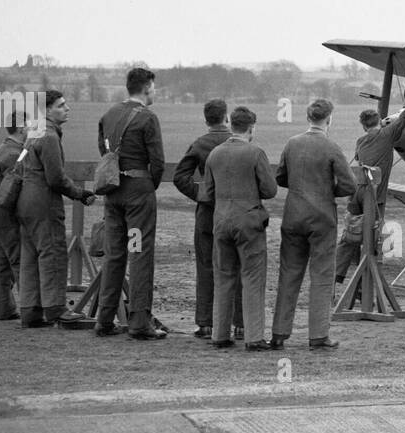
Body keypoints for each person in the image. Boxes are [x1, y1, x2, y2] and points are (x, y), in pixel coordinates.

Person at [271, 99, 357, 350]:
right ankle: (318, 335)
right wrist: (327, 191)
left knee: (288, 274)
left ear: (308, 118)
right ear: (329, 119)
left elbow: (280, 177)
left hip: (293, 216)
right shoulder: (332, 147)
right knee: (321, 276)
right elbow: (349, 185)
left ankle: (278, 333)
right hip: (322, 219)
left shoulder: (292, 143)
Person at [198, 106, 278, 351]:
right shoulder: (255, 153)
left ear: (231, 124)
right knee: (252, 278)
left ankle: (220, 334)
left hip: (221, 221)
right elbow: (270, 190)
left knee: (223, 276)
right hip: (249, 223)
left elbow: (206, 193)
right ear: (251, 127)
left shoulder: (214, 154)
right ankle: (253, 336)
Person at [96, 68, 166, 340]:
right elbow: (157, 162)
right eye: (154, 88)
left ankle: (103, 320)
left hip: (113, 193)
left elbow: (104, 152)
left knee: (114, 255)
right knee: (139, 253)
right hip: (138, 195)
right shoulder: (148, 118)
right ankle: (138, 322)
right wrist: (148, 185)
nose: (155, 93)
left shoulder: (109, 114)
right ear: (147, 87)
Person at [16, 90, 95, 327]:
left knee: (30, 257)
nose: (67, 108)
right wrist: (80, 194)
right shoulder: (49, 136)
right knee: (53, 255)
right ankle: (56, 308)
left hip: (24, 201)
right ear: (47, 110)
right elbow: (56, 178)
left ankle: (30, 311)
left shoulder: (33, 133)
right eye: (61, 105)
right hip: (43, 202)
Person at [334, 96, 405, 286]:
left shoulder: (360, 141)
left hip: (357, 191)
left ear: (363, 126)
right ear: (378, 121)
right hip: (373, 195)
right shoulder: (387, 134)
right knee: (372, 238)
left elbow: (359, 157)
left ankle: (337, 274)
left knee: (350, 233)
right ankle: (362, 285)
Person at [173, 99, 233, 339]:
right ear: (226, 117)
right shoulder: (239, 142)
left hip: (207, 213)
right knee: (235, 267)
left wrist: (200, 193)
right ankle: (238, 323)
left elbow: (180, 176)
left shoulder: (200, 144)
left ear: (206, 120)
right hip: (234, 211)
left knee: (206, 267)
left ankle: (206, 322)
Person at [0, 112, 28, 320]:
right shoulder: (14, 154)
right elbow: (15, 190)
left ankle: (4, 309)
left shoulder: (2, 149)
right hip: (7, 214)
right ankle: (30, 308)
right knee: (19, 260)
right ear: (22, 128)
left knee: (2, 262)